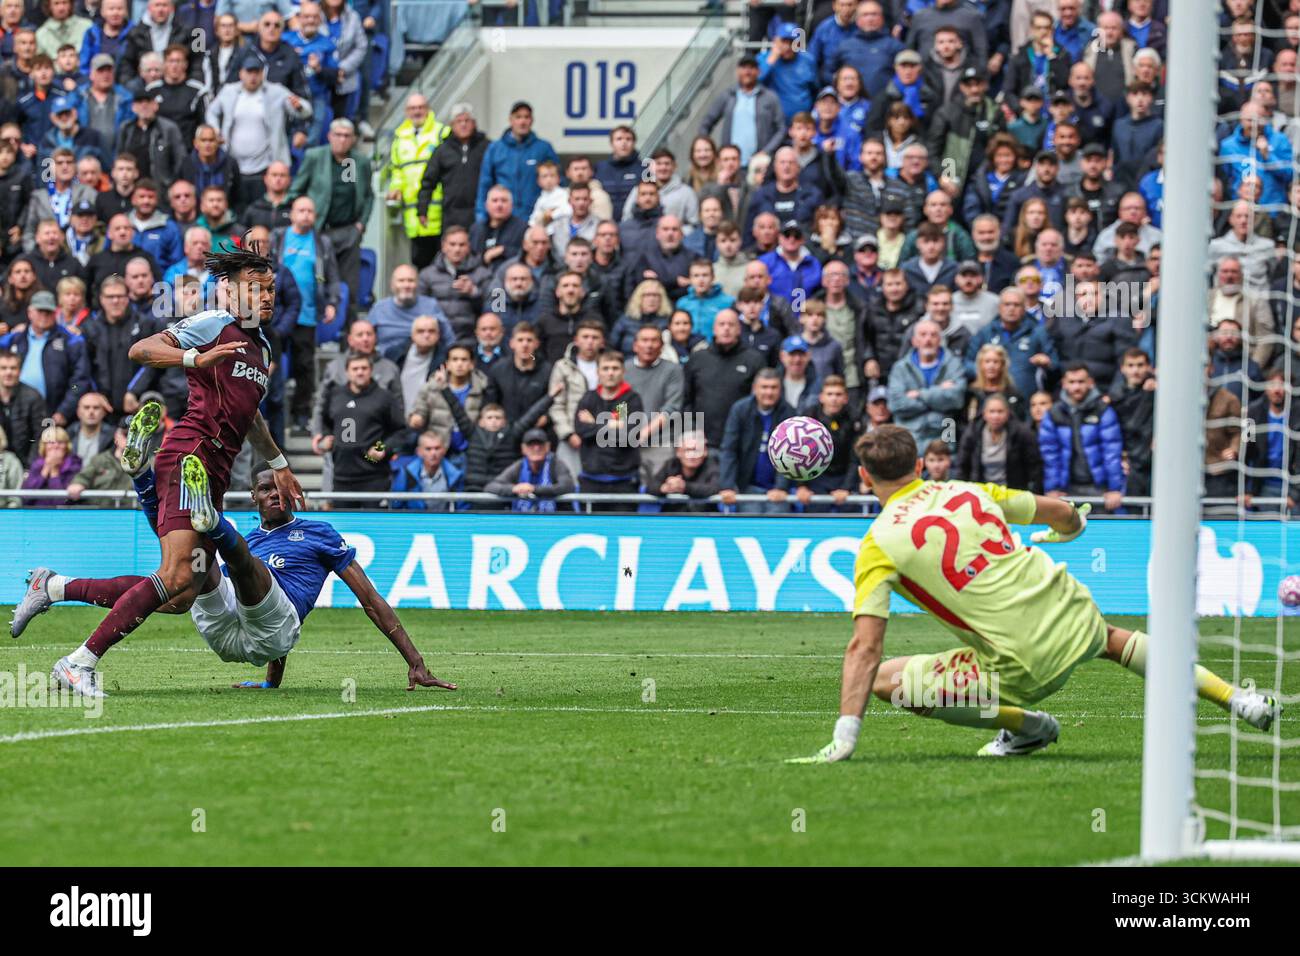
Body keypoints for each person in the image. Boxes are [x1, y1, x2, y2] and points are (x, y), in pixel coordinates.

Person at [786, 425, 1280, 764]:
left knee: (891, 682)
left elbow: (865, 647)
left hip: (1019, 664)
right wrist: (1073, 527)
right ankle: (1239, 699)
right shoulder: (970, 490)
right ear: (920, 465)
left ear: (864, 478)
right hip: (1069, 608)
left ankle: (1028, 727)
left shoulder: (877, 545)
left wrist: (846, 732)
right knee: (1115, 641)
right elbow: (1064, 514)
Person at [36, 236, 305, 698]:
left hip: (216, 472)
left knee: (182, 594)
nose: (267, 296)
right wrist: (193, 358)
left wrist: (278, 461)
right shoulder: (213, 324)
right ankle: (79, 662)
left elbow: (251, 415)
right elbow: (140, 349)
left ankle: (55, 586)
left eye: (271, 289)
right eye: (258, 288)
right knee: (180, 576)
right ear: (232, 291)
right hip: (189, 455)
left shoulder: (263, 350)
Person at [18, 460, 456, 690]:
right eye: (266, 489)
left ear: (293, 493)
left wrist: (415, 662)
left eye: (281, 488)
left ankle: (203, 514)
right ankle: (56, 585)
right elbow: (193, 597)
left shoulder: (319, 534)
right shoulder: (252, 541)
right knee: (182, 575)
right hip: (229, 634)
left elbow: (370, 599)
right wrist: (270, 682)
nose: (274, 495)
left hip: (273, 632)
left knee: (240, 562)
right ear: (255, 497)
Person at [289, 119, 372, 317]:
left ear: (353, 139)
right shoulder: (315, 157)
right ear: (329, 136)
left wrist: (362, 223)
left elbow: (368, 195)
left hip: (348, 230)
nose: (342, 140)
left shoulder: (357, 162)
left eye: (347, 136)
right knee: (318, 280)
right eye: (338, 135)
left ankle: (348, 331)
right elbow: (297, 189)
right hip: (319, 230)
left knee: (350, 284)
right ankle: (319, 326)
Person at [718, 367, 794, 514]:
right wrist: (727, 486)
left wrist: (781, 487)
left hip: (776, 489)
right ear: (755, 388)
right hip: (748, 485)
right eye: (764, 387)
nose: (769, 392)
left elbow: (791, 455)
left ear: (780, 389)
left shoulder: (789, 413)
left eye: (774, 387)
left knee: (776, 524)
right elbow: (729, 449)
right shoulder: (740, 410)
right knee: (750, 523)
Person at [386, 93, 447, 271]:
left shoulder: (441, 132)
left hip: (440, 212)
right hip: (413, 214)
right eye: (413, 108)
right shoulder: (400, 139)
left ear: (428, 109)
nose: (417, 112)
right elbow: (397, 170)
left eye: (421, 107)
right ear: (406, 112)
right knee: (420, 264)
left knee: (444, 266)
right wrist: (395, 188)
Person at [474, 101, 559, 226]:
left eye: (526, 117)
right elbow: (485, 184)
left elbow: (558, 181)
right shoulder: (495, 149)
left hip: (535, 218)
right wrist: (481, 215)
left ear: (532, 120)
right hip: (503, 218)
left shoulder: (543, 148)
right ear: (511, 120)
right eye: (518, 117)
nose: (522, 121)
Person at [484, 426, 576, 512]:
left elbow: (567, 486)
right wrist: (514, 489)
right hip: (522, 521)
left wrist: (533, 489)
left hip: (556, 521)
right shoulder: (519, 465)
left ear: (548, 446)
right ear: (523, 448)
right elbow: (491, 486)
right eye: (531, 445)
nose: (536, 448)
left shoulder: (556, 464)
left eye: (540, 444)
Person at [390, 428, 463, 507]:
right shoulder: (405, 474)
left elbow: (461, 507)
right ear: (419, 451)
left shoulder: (455, 475)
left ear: (444, 450)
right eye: (428, 449)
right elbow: (396, 506)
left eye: (437, 448)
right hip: (415, 519)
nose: (433, 453)